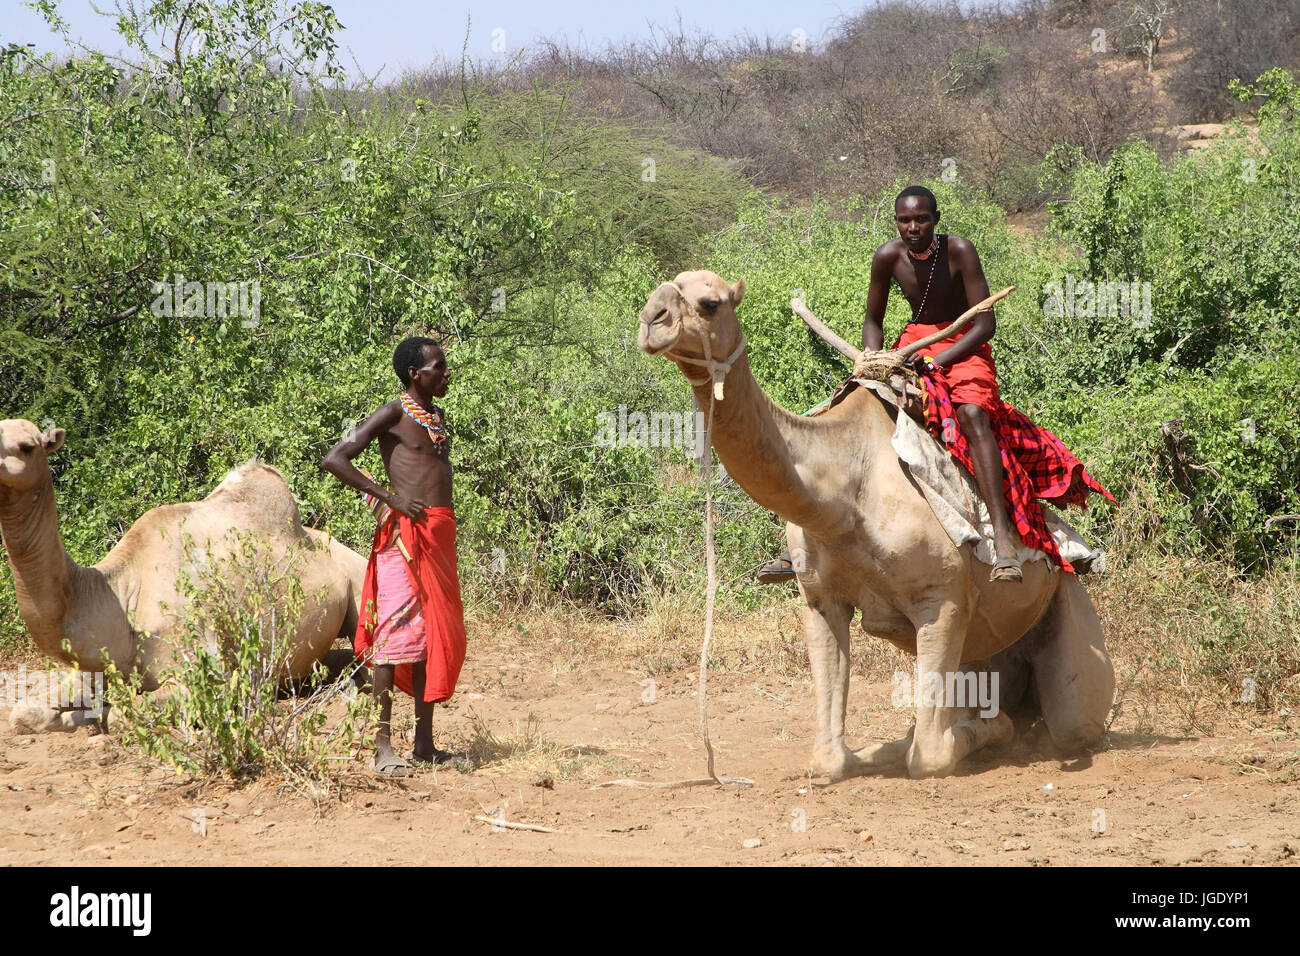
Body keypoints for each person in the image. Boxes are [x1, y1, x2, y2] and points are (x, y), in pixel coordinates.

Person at [759, 184, 1026, 584]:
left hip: (961, 348)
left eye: (921, 219)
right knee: (852, 407)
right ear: (896, 223)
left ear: (936, 219)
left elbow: (985, 323)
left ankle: (1003, 543)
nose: (913, 227)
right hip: (912, 345)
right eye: (905, 220)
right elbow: (873, 320)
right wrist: (874, 360)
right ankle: (801, 540)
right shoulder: (887, 256)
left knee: (972, 414)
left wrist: (937, 360)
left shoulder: (960, 251)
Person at [321, 336, 468, 776]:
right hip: (403, 538)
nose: (446, 373)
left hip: (438, 536)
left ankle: (424, 744)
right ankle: (383, 745)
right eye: (439, 367)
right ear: (414, 374)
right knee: (392, 638)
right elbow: (336, 458)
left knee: (429, 638)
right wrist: (390, 499)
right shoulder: (393, 412)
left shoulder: (436, 416)